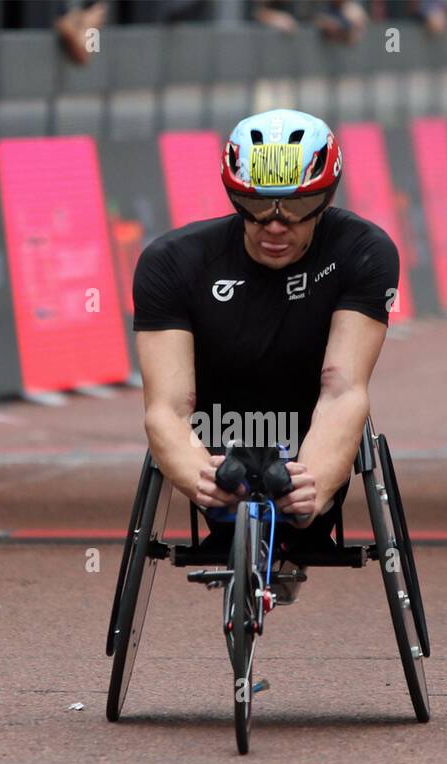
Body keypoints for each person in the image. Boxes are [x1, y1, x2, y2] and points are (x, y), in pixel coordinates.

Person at [131, 109, 400, 600]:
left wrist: (313, 482)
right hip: (216, 437)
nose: (276, 226)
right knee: (222, 487)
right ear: (234, 195)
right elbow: (166, 407)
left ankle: (290, 533)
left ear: (327, 197)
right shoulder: (170, 262)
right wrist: (196, 474)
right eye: (257, 206)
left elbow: (343, 390)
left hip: (308, 432)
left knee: (300, 503)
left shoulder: (365, 252)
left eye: (300, 206)